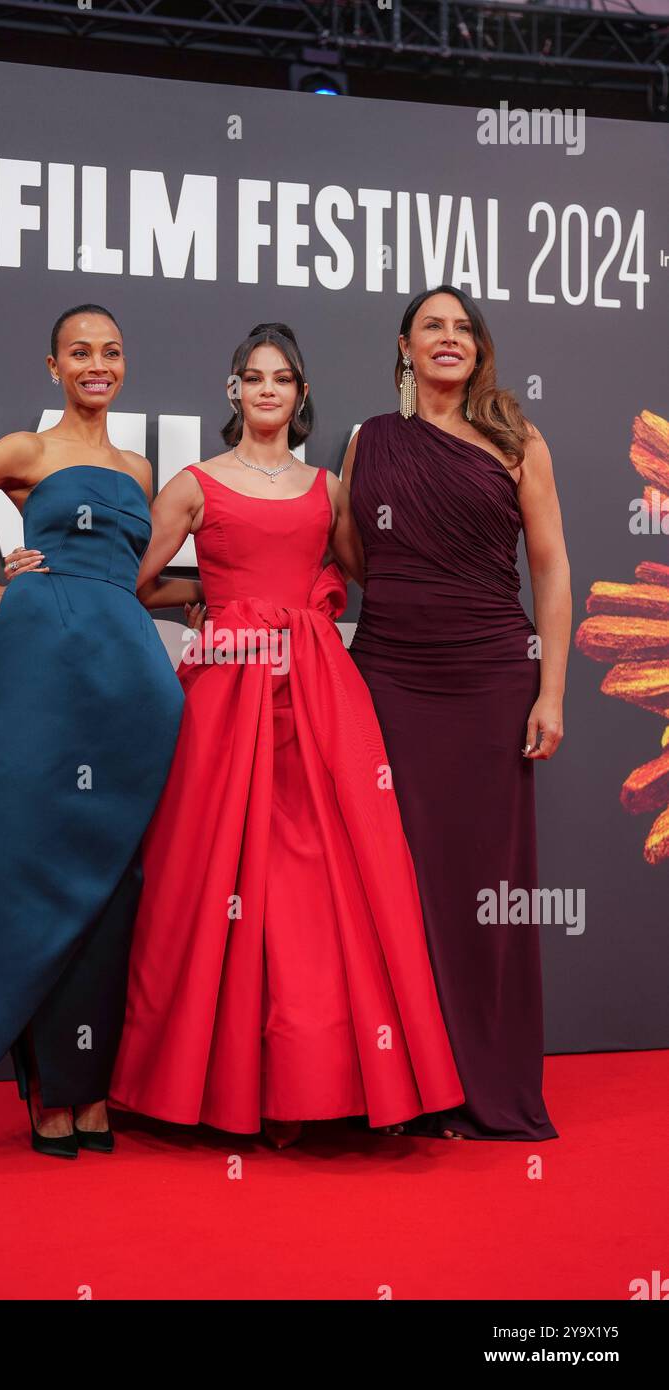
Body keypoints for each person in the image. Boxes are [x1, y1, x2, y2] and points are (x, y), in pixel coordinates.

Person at [98, 323, 464, 1148]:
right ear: (234, 391)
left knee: (317, 881)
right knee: (218, 870)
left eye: (282, 379)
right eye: (253, 377)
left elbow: (362, 572)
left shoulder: (327, 487)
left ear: (301, 396)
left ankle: (315, 1082)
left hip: (318, 695)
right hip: (227, 695)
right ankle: (220, 1082)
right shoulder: (195, 484)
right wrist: (218, 601)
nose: (267, 390)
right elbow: (132, 580)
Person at [0, 303, 184, 1158]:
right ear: (52, 365)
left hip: (130, 682)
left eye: (112, 352)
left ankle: (90, 1094)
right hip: (46, 672)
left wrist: (205, 598)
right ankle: (50, 1095)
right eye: (80, 352)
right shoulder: (27, 450)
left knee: (114, 879)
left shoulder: (136, 463)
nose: (98, 364)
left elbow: (125, 580)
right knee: (41, 868)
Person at [344, 285, 571, 1140]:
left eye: (463, 328)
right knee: (394, 881)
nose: (449, 338)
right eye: (432, 326)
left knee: (487, 888)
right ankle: (406, 1084)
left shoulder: (518, 441)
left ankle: (486, 1083)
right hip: (390, 680)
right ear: (404, 346)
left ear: (480, 347)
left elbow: (550, 570)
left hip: (490, 681)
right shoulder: (370, 441)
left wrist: (550, 689)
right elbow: (351, 556)